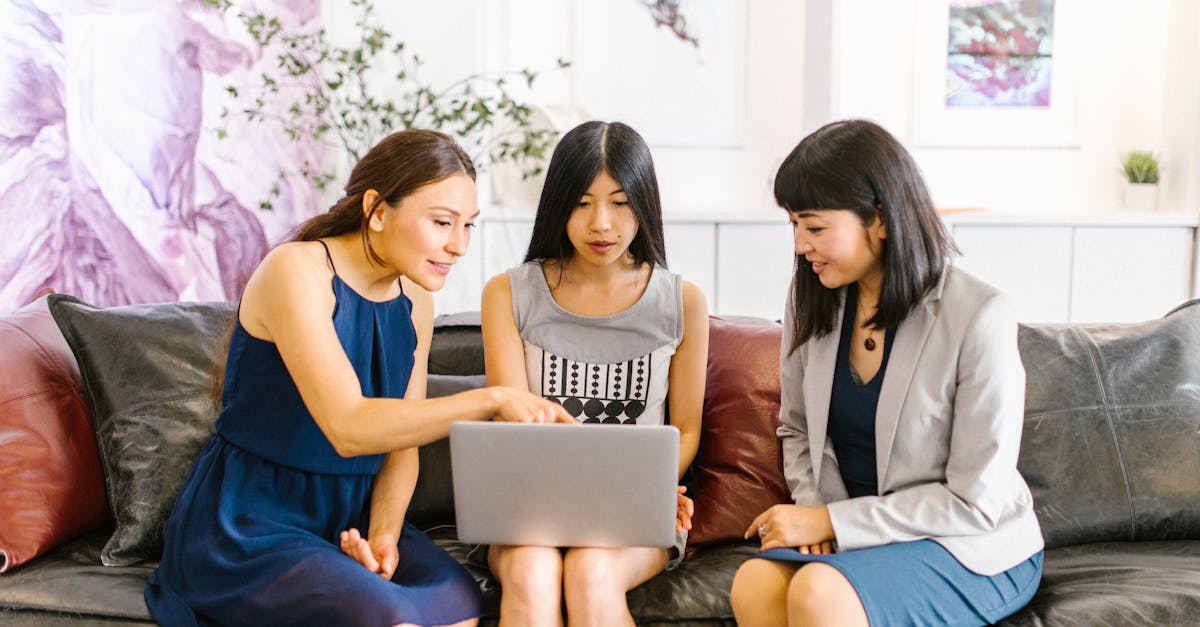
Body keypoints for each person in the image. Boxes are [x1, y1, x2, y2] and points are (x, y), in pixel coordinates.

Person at [144, 129, 574, 627]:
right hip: (252, 520)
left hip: (353, 516)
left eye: (469, 226)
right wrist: (490, 399)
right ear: (377, 210)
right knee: (390, 615)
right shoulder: (297, 271)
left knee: (458, 607)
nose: (458, 245)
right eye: (441, 223)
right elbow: (348, 427)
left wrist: (384, 535)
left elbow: (402, 445)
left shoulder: (415, 300)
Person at [730, 119, 1044, 626]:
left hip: (968, 543)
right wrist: (817, 519)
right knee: (757, 581)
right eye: (793, 226)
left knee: (819, 591)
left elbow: (973, 501)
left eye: (814, 227)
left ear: (879, 218)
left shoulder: (979, 315)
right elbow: (797, 429)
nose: (798, 245)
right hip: (860, 536)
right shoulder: (812, 297)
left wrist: (833, 520)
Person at [479, 121, 709, 626]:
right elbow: (512, 423)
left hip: (633, 512)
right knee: (533, 572)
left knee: (590, 572)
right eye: (582, 203)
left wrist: (642, 489)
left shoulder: (682, 301)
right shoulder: (508, 293)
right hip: (532, 506)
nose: (601, 223)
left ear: (644, 204)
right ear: (559, 204)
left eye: (620, 201)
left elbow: (686, 429)